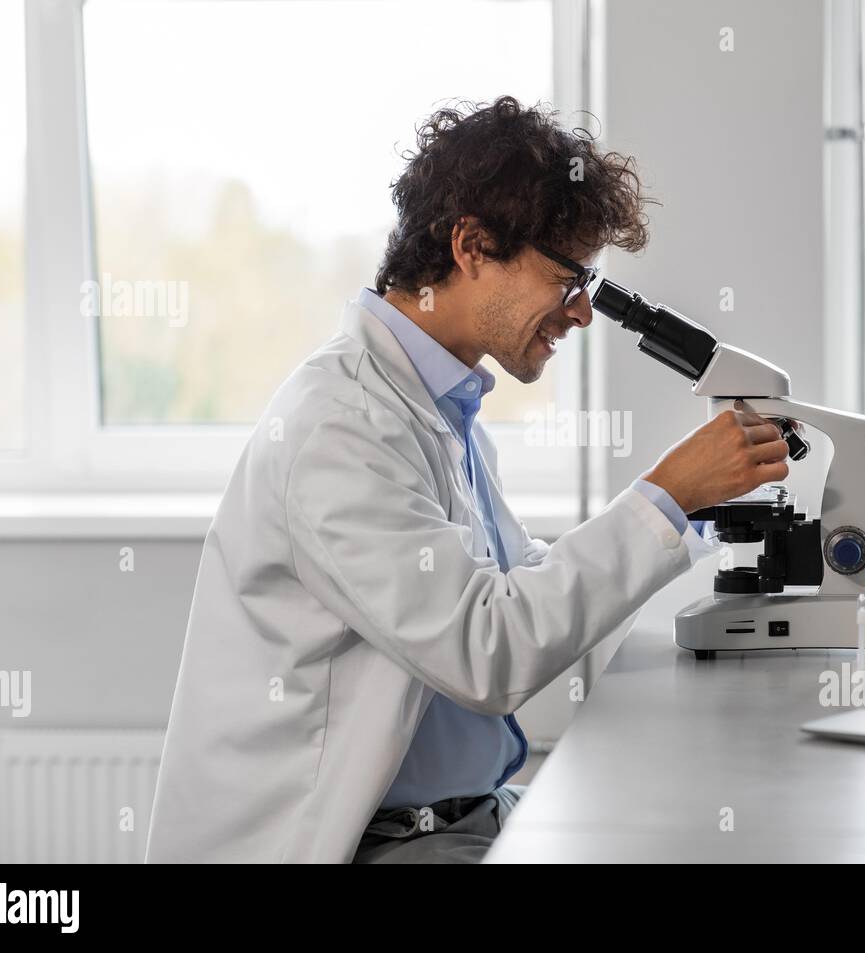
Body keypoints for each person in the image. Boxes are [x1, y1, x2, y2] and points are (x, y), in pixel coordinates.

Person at [144, 97, 790, 864]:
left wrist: (696, 506)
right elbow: (487, 648)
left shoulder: (435, 403)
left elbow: (519, 582)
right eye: (570, 278)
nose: (582, 313)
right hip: (361, 844)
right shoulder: (341, 425)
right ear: (472, 246)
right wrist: (666, 493)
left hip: (463, 813)